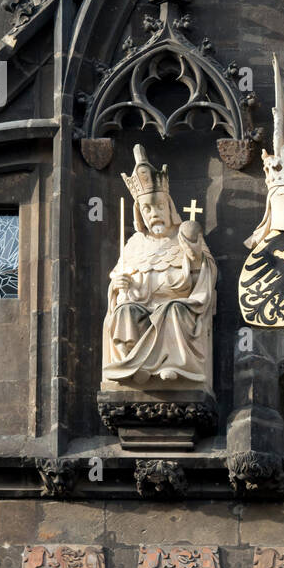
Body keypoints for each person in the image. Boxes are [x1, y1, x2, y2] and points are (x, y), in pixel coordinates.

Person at [102, 145, 215, 389]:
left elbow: (206, 273)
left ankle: (171, 366)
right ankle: (131, 364)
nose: (154, 213)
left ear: (169, 207)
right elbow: (118, 287)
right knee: (124, 312)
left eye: (159, 207)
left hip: (176, 306)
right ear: (140, 213)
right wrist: (117, 286)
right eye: (148, 209)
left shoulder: (182, 237)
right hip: (142, 308)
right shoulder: (134, 244)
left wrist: (195, 255)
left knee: (172, 310)